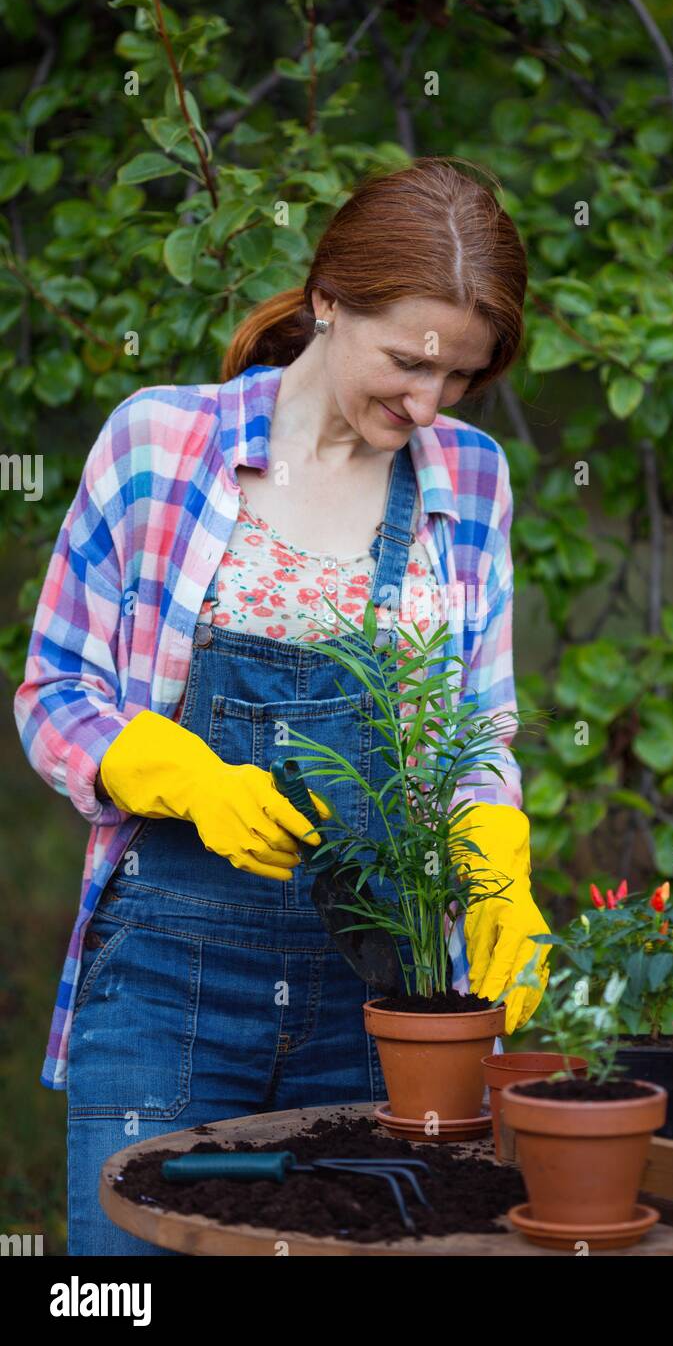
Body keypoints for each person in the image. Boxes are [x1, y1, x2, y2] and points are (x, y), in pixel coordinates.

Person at [13, 155, 551, 1255]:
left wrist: (493, 848)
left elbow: (476, 734)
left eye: (458, 377)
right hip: (164, 988)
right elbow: (55, 691)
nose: (426, 402)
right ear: (325, 301)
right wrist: (170, 771)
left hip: (379, 1010)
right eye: (407, 361)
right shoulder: (160, 444)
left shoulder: (472, 479)